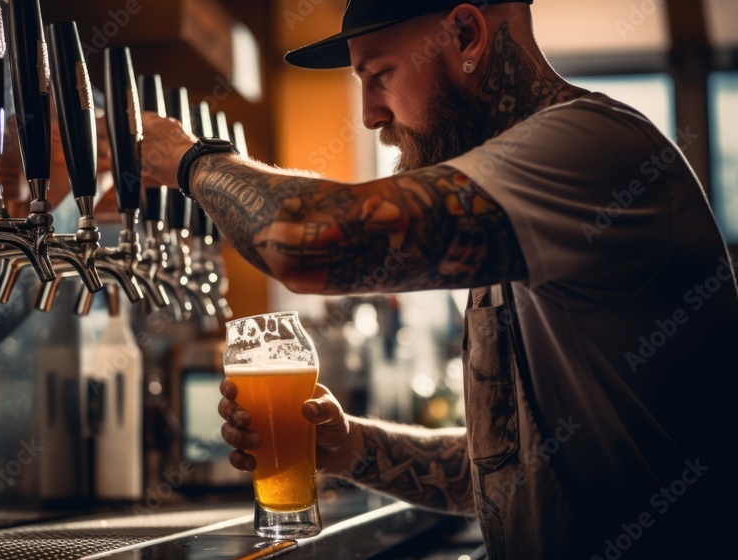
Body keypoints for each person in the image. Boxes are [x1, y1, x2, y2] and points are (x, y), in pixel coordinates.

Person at [135, 1, 738, 558]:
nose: (370, 115)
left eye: (380, 73)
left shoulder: (592, 149)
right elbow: (505, 471)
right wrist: (347, 447)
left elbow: (307, 240)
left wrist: (189, 159)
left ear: (467, 35)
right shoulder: (511, 210)